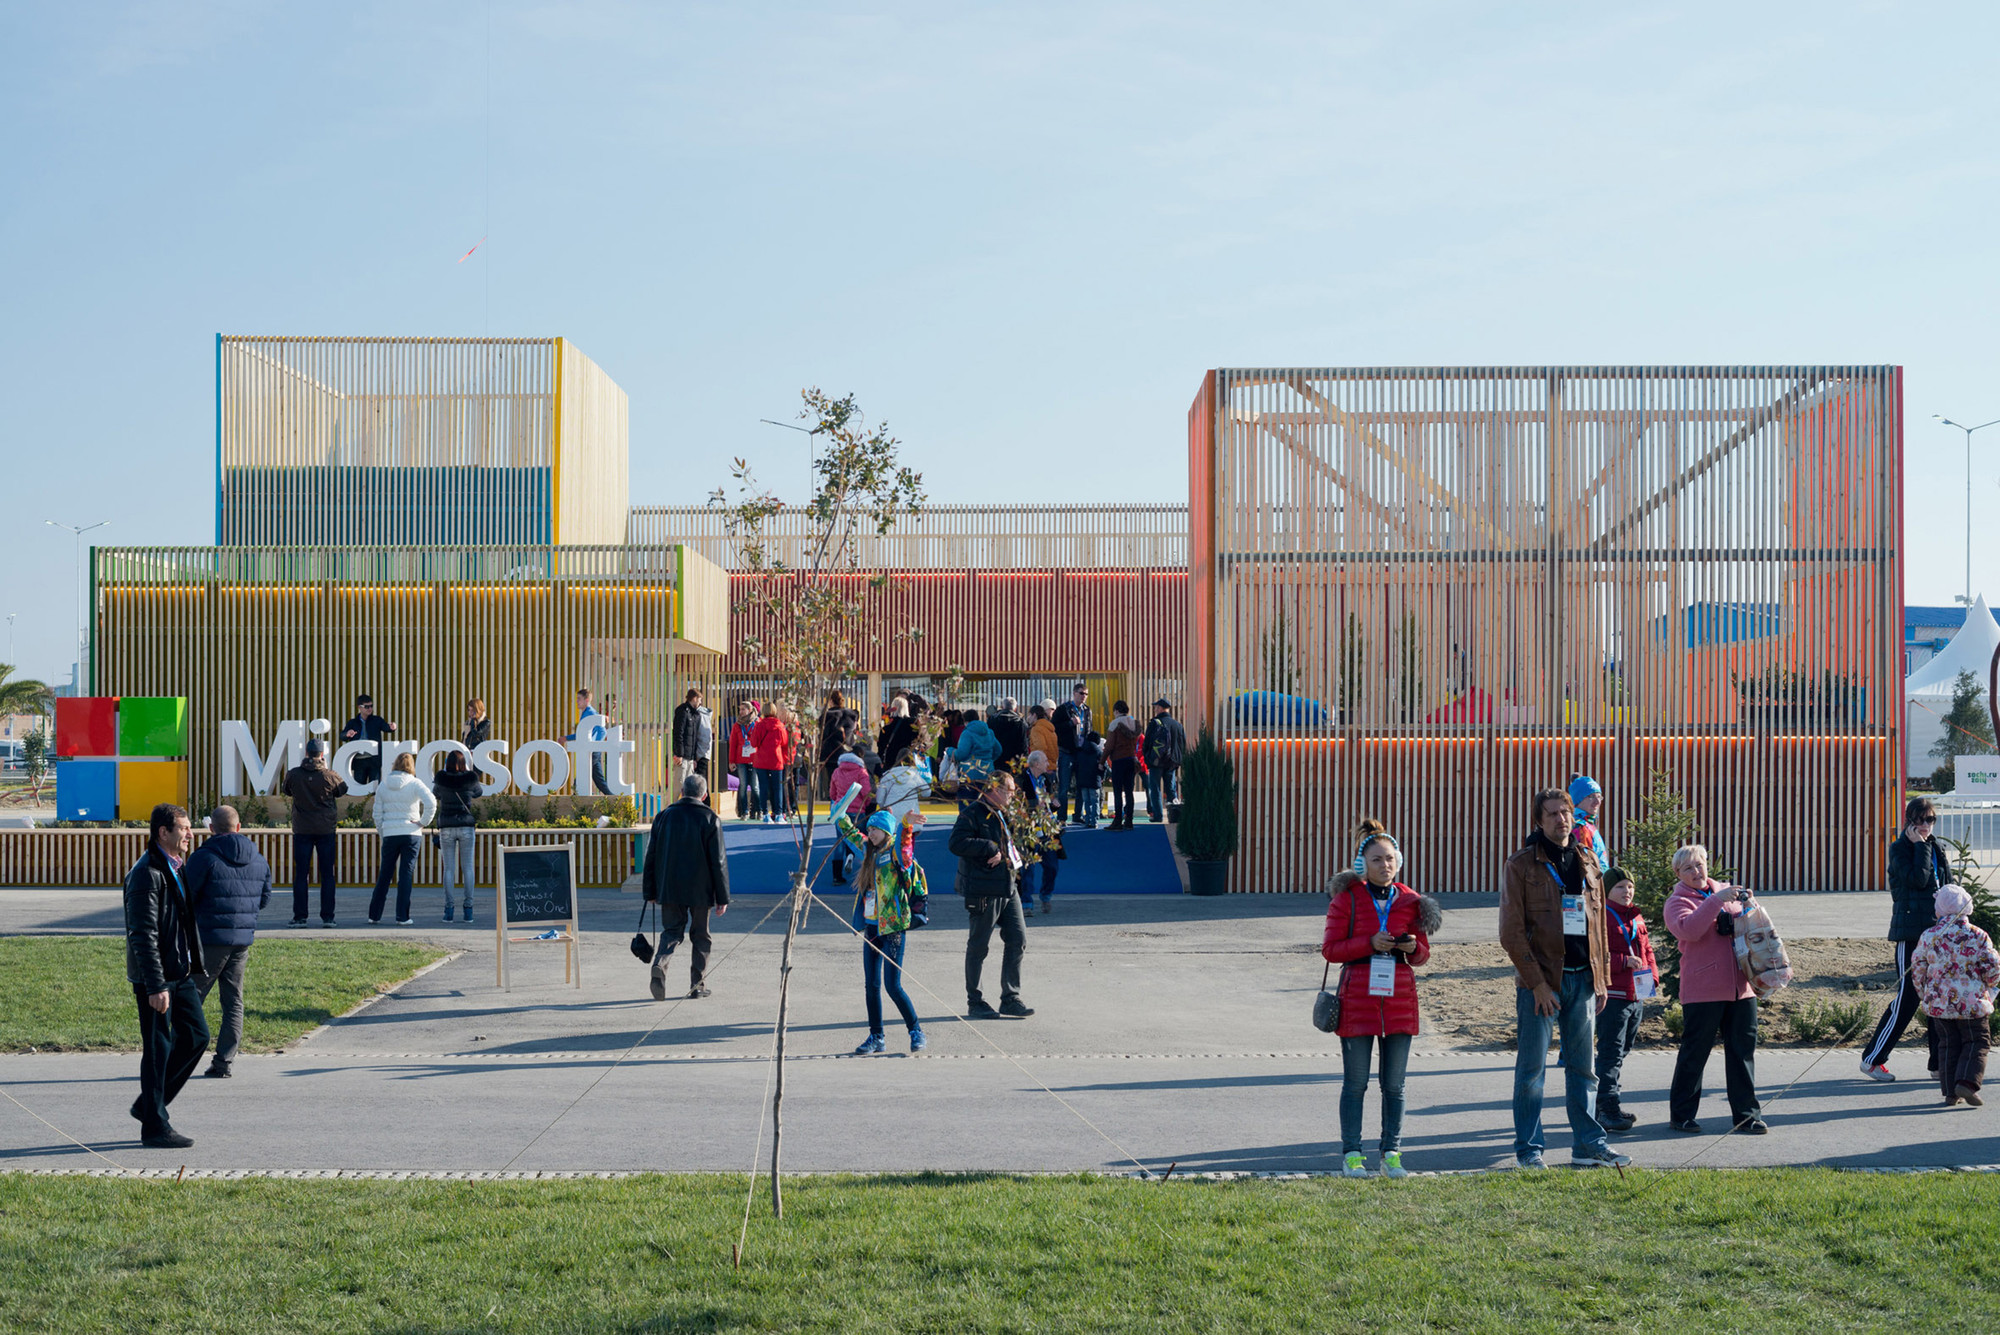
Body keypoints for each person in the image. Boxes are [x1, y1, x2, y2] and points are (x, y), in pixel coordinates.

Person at [1498, 787, 1628, 1169]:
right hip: (1542, 986)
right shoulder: (1521, 865)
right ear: (1539, 821)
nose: (1561, 819)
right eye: (1552, 814)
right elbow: (1512, 932)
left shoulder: (1588, 861)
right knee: (1532, 1071)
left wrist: (1601, 979)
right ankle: (1529, 1150)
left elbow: (1599, 926)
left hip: (1584, 981)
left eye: (1566, 812)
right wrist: (1537, 984)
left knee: (1583, 1069)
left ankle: (1588, 1146)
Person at [1321, 822, 1433, 1178]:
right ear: (1362, 865)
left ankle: (1392, 1154)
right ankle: (1352, 1154)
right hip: (1357, 997)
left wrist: (1414, 948)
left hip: (1399, 997)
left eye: (1390, 859)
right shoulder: (1347, 899)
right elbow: (1330, 950)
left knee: (1395, 1086)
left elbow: (1423, 955)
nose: (1385, 865)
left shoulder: (1412, 901)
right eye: (1377, 860)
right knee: (1355, 1084)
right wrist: (1368, 943)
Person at [1664, 844, 1767, 1134]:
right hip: (1703, 990)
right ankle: (1682, 1115)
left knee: (1742, 1053)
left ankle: (1747, 1115)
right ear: (1678, 873)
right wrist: (1715, 903)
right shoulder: (1677, 902)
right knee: (1695, 1054)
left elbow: (1754, 924)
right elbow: (1689, 930)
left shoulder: (1728, 891)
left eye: (1700, 865)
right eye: (1688, 868)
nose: (1696, 872)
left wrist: (1748, 905)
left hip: (1741, 988)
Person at [124, 803, 207, 1148]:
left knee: (196, 1036)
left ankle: (148, 1105)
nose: (190, 834)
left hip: (180, 972)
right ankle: (155, 1127)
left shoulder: (174, 866)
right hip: (157, 979)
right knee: (158, 1049)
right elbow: (142, 934)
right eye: (184, 828)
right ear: (163, 832)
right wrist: (156, 985)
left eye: (189, 828)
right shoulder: (147, 873)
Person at [1860, 796, 1952, 1082]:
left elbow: (1947, 885)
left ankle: (1938, 1064)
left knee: (1939, 996)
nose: (1926, 826)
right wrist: (1921, 847)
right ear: (1909, 821)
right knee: (1909, 997)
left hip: (1938, 933)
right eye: (1921, 820)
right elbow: (1919, 879)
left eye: (1931, 820)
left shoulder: (1935, 846)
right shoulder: (1900, 849)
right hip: (1911, 933)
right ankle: (1872, 1059)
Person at [831, 786, 930, 1054]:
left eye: (875, 829)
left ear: (887, 832)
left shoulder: (897, 854)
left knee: (892, 986)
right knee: (871, 986)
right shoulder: (868, 853)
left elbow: (906, 848)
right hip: (872, 926)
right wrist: (839, 812)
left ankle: (916, 1030)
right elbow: (851, 835)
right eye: (870, 829)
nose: (870, 833)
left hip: (894, 927)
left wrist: (906, 827)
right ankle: (876, 1036)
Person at [184, 805, 271, 1080]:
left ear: (212, 828)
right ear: (238, 826)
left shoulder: (204, 857)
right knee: (233, 1001)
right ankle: (224, 1061)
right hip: (242, 940)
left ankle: (181, 1058)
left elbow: (186, 895)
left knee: (192, 998)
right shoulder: (258, 858)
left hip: (209, 939)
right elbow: (264, 898)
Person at [950, 770, 1033, 1019]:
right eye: (1009, 791)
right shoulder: (972, 813)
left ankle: (1010, 997)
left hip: (1008, 887)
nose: (1012, 795)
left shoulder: (1005, 813)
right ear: (994, 789)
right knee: (978, 946)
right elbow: (956, 843)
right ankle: (975, 1001)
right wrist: (988, 847)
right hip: (983, 889)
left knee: (1018, 939)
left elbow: (1012, 844)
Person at [641, 773, 731, 1000]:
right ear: (705, 794)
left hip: (669, 887)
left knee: (671, 932)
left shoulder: (663, 816)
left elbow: (650, 856)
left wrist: (649, 891)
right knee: (701, 935)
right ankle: (697, 986)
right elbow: (718, 861)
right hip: (701, 889)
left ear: (682, 791)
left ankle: (660, 965)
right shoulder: (710, 818)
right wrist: (723, 897)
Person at [1913, 885, 2000, 1106]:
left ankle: (1951, 1093)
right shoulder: (1978, 935)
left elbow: (1918, 968)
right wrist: (1991, 985)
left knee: (1948, 1044)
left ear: (1939, 909)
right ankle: (1967, 1083)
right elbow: (1993, 967)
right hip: (1972, 1003)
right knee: (1977, 1041)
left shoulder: (1929, 936)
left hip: (1939, 1004)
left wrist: (1925, 994)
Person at [1595, 866, 1658, 1132]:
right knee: (1610, 1054)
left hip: (1636, 994)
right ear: (1608, 891)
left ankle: (1610, 1103)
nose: (1627, 891)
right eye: (1620, 887)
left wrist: (1653, 976)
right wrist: (1622, 962)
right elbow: (1595, 953)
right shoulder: (1602, 916)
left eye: (1630, 886)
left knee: (1622, 1051)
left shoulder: (1635, 916)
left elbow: (1647, 950)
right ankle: (1605, 1109)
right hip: (1614, 995)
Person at [282, 737, 347, 927]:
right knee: (328, 875)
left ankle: (300, 916)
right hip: (325, 829)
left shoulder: (294, 774)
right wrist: (326, 769)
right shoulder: (330, 775)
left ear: (306, 754)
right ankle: (328, 917)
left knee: (301, 874)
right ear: (322, 755)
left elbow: (287, 790)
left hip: (302, 829)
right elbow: (343, 790)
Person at [367, 752, 437, 926]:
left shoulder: (383, 785)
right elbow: (432, 802)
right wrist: (423, 822)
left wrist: (383, 833)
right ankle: (402, 917)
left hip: (390, 833)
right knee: (405, 874)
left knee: (384, 874)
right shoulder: (415, 783)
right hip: (411, 833)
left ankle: (374, 915)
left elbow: (377, 814)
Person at [432, 749, 483, 923]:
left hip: (446, 826)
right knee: (467, 868)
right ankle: (468, 910)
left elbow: (435, 794)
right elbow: (478, 792)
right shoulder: (470, 779)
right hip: (466, 826)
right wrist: (466, 770)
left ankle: (449, 910)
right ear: (463, 764)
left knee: (449, 869)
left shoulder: (441, 779)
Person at [1022, 751, 1064, 913]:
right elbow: (1017, 805)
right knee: (1028, 867)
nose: (1048, 764)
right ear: (1036, 764)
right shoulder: (1022, 780)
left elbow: (1048, 803)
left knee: (1052, 866)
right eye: (1046, 761)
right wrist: (1034, 806)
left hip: (1047, 828)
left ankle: (1046, 895)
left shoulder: (1046, 779)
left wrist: (1054, 804)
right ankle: (1026, 903)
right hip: (1030, 828)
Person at [827, 750, 874, 884]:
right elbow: (866, 792)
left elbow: (832, 792)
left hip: (841, 811)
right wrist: (865, 804)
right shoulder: (861, 772)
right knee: (860, 838)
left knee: (840, 840)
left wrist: (837, 801)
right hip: (857, 811)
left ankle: (836, 876)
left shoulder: (837, 771)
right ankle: (857, 862)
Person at [1053, 683, 1092, 823]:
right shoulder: (1063, 709)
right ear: (1074, 693)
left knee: (1081, 785)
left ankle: (1077, 815)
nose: (1084, 697)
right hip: (1067, 752)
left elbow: (1089, 729)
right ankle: (1062, 817)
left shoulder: (1087, 710)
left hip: (1081, 752)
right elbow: (1054, 728)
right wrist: (1070, 723)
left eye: (1086, 694)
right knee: (1064, 786)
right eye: (1081, 693)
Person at [1142, 698, 1186, 823]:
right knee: (1171, 789)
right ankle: (1175, 816)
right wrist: (1178, 760)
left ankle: (1158, 815)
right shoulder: (1177, 725)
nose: (1155, 709)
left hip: (1156, 761)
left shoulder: (1155, 723)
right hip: (1171, 762)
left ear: (1160, 708)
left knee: (1155, 788)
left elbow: (1147, 742)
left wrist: (1148, 758)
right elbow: (1182, 744)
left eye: (1156, 707)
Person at [748, 701, 791, 824]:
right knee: (778, 788)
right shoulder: (780, 725)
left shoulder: (759, 725)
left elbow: (754, 743)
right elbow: (784, 742)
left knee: (763, 787)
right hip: (776, 760)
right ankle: (778, 814)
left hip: (761, 760)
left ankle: (765, 813)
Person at [340, 694, 396, 786]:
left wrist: (393, 727)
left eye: (371, 706)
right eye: (366, 707)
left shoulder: (377, 720)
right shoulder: (353, 722)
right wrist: (347, 734)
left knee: (374, 788)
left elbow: (387, 728)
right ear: (360, 707)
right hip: (358, 760)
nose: (369, 709)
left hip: (374, 759)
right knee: (358, 787)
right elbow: (342, 736)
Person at [569, 688, 613, 796]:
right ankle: (615, 800)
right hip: (592, 750)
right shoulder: (586, 713)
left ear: (587, 700)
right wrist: (566, 738)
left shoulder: (590, 713)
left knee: (580, 780)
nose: (577, 701)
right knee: (599, 782)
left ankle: (580, 804)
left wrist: (594, 745)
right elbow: (582, 735)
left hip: (592, 751)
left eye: (579, 699)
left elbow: (602, 731)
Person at [1104, 701, 1141, 830]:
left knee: (1118, 792)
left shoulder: (1115, 724)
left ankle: (1118, 821)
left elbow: (1109, 746)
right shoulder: (1134, 722)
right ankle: (1129, 820)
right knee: (1129, 792)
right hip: (1131, 759)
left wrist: (1101, 760)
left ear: (1116, 711)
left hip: (1119, 761)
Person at [818, 689, 859, 802]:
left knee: (833, 783)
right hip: (848, 752)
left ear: (830, 701)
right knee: (848, 782)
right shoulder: (852, 715)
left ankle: (834, 806)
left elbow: (823, 735)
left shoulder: (826, 716)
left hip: (831, 753)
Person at [875, 747, 934, 822]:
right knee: (908, 832)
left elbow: (879, 798)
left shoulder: (888, 776)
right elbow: (927, 792)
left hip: (891, 813)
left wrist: (885, 806)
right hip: (911, 814)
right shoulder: (915, 775)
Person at [672, 687, 714, 789]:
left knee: (688, 787)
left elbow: (694, 737)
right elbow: (678, 734)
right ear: (694, 698)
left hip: (690, 757)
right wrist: (679, 754)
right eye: (699, 700)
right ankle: (669, 805)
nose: (700, 703)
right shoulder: (682, 711)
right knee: (678, 784)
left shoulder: (694, 714)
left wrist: (694, 757)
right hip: (683, 756)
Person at [952, 706, 1002, 790]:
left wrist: (950, 751)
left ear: (966, 721)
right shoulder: (989, 732)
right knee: (983, 800)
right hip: (987, 772)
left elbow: (961, 754)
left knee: (967, 800)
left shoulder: (967, 733)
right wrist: (989, 759)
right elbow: (998, 750)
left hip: (969, 774)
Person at [729, 699, 761, 819]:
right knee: (742, 785)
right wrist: (731, 761)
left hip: (755, 759)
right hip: (741, 759)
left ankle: (757, 810)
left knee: (755, 786)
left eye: (743, 709)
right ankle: (744, 811)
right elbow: (733, 744)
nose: (741, 712)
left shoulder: (758, 723)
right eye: (740, 709)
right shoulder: (737, 725)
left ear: (750, 710)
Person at [1568, 773, 1609, 870]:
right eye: (1591, 796)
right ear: (1578, 800)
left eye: (1599, 797)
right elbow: (1584, 865)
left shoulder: (1588, 823)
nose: (1597, 801)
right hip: (1591, 883)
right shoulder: (1580, 827)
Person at [876, 697, 918, 780]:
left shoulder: (886, 727)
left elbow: (881, 747)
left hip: (890, 762)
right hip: (907, 760)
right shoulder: (912, 724)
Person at [1072, 730, 1105, 828]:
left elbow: (1076, 766)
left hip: (1082, 780)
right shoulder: (1099, 751)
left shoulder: (1080, 751)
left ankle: (1087, 820)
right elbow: (1104, 766)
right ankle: (1094, 821)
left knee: (1086, 801)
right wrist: (1102, 776)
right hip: (1094, 780)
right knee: (1095, 801)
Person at [986, 696, 1028, 768]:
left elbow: (988, 741)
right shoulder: (1020, 723)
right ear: (1015, 708)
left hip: (996, 761)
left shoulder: (992, 720)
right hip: (1014, 763)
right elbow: (1023, 746)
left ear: (1003, 707)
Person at [1028, 704, 1059, 779]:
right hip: (1052, 767)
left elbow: (1040, 749)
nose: (1028, 718)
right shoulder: (1049, 728)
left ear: (1034, 715)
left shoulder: (1036, 729)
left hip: (1042, 769)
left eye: (1029, 715)